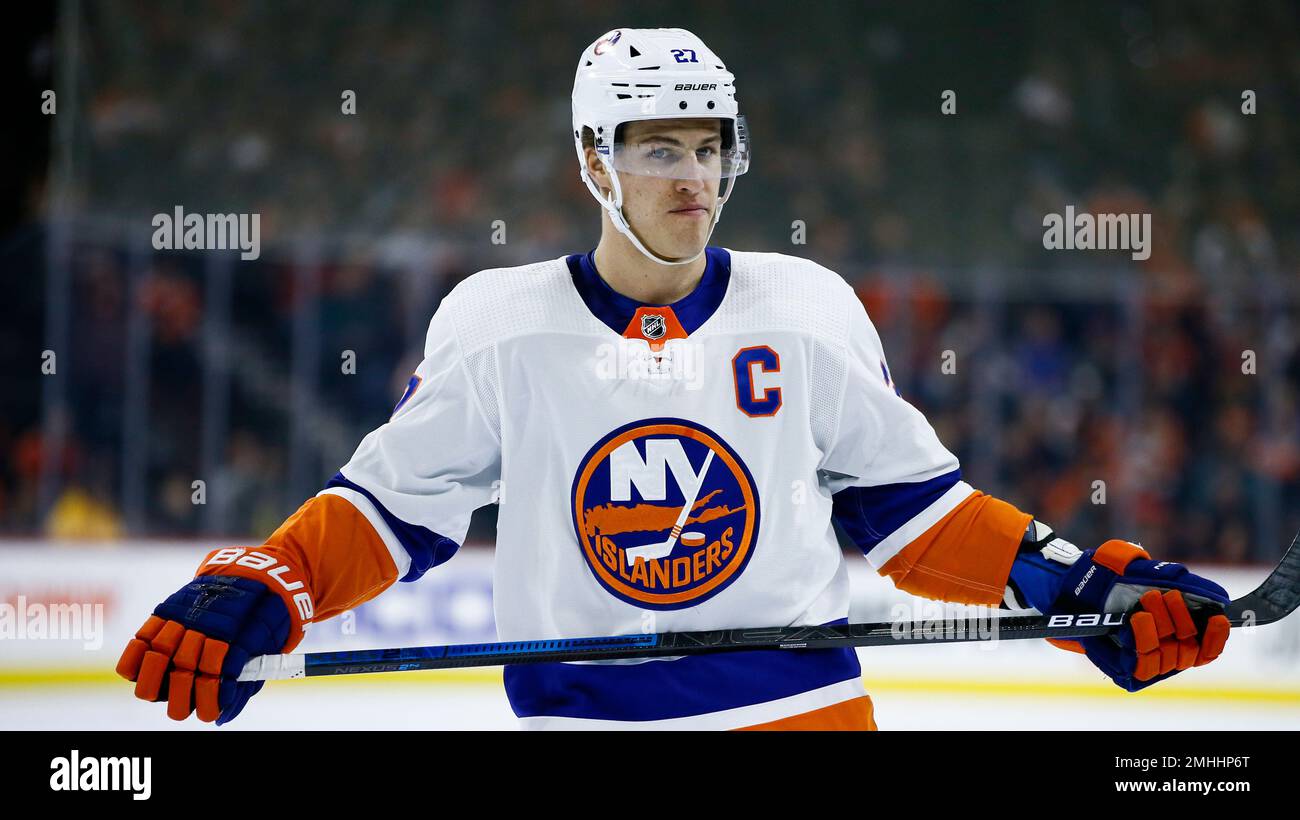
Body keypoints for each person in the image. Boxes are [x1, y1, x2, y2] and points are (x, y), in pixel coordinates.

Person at [116, 27, 1231, 730]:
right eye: (659, 148)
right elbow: (396, 508)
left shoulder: (806, 306)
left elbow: (912, 512)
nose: (694, 176)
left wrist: (1071, 584)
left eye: (708, 147)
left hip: (799, 714)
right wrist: (272, 584)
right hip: (583, 722)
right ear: (594, 162)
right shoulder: (501, 322)